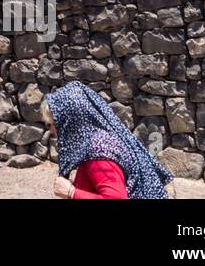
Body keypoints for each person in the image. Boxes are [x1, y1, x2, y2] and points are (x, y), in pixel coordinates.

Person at [43, 81, 173, 199]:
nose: (51, 131)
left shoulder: (98, 154)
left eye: (52, 124)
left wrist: (72, 192)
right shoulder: (105, 137)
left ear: (69, 121)